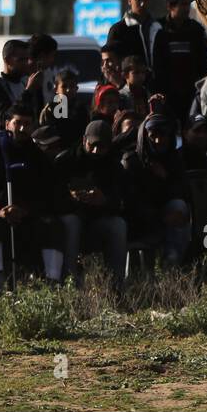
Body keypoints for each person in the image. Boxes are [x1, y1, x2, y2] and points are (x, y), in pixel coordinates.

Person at [0, 105, 65, 289]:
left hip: (28, 215)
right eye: (18, 123)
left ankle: (52, 285)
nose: (22, 128)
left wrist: (25, 210)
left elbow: (48, 192)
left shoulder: (37, 156)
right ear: (8, 124)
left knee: (53, 226)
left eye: (27, 124)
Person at [57, 120, 128, 288]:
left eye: (102, 147)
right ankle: (71, 285)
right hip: (70, 221)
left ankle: (116, 287)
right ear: (84, 141)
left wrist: (105, 200)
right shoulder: (65, 161)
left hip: (98, 221)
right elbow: (51, 197)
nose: (96, 151)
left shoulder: (114, 167)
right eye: (92, 145)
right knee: (71, 223)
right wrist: (71, 198)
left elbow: (124, 201)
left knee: (118, 225)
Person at [121, 112, 191, 266]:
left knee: (180, 208)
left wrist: (165, 178)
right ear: (146, 136)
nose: (158, 141)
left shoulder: (173, 159)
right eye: (153, 136)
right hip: (140, 220)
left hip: (166, 214)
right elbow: (132, 201)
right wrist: (159, 217)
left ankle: (172, 263)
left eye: (163, 135)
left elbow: (183, 191)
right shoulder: (132, 161)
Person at [152, 0, 207, 125]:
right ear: (170, 6)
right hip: (166, 95)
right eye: (182, 4)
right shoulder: (158, 29)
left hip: (191, 94)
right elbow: (156, 64)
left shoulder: (196, 30)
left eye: (188, 4)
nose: (187, 8)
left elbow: (203, 64)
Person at [0, 39, 43, 140]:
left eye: (27, 59)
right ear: (8, 61)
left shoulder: (24, 82)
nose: (26, 63)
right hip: (0, 148)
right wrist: (28, 91)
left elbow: (35, 116)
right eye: (21, 60)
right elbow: (6, 117)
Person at [105, 0, 162, 67]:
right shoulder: (118, 30)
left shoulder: (158, 28)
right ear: (129, 0)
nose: (142, 4)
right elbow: (110, 60)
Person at [38, 68, 90, 150]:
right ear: (56, 89)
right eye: (64, 86)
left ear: (76, 89)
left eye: (72, 86)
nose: (68, 90)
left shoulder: (82, 109)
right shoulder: (50, 110)